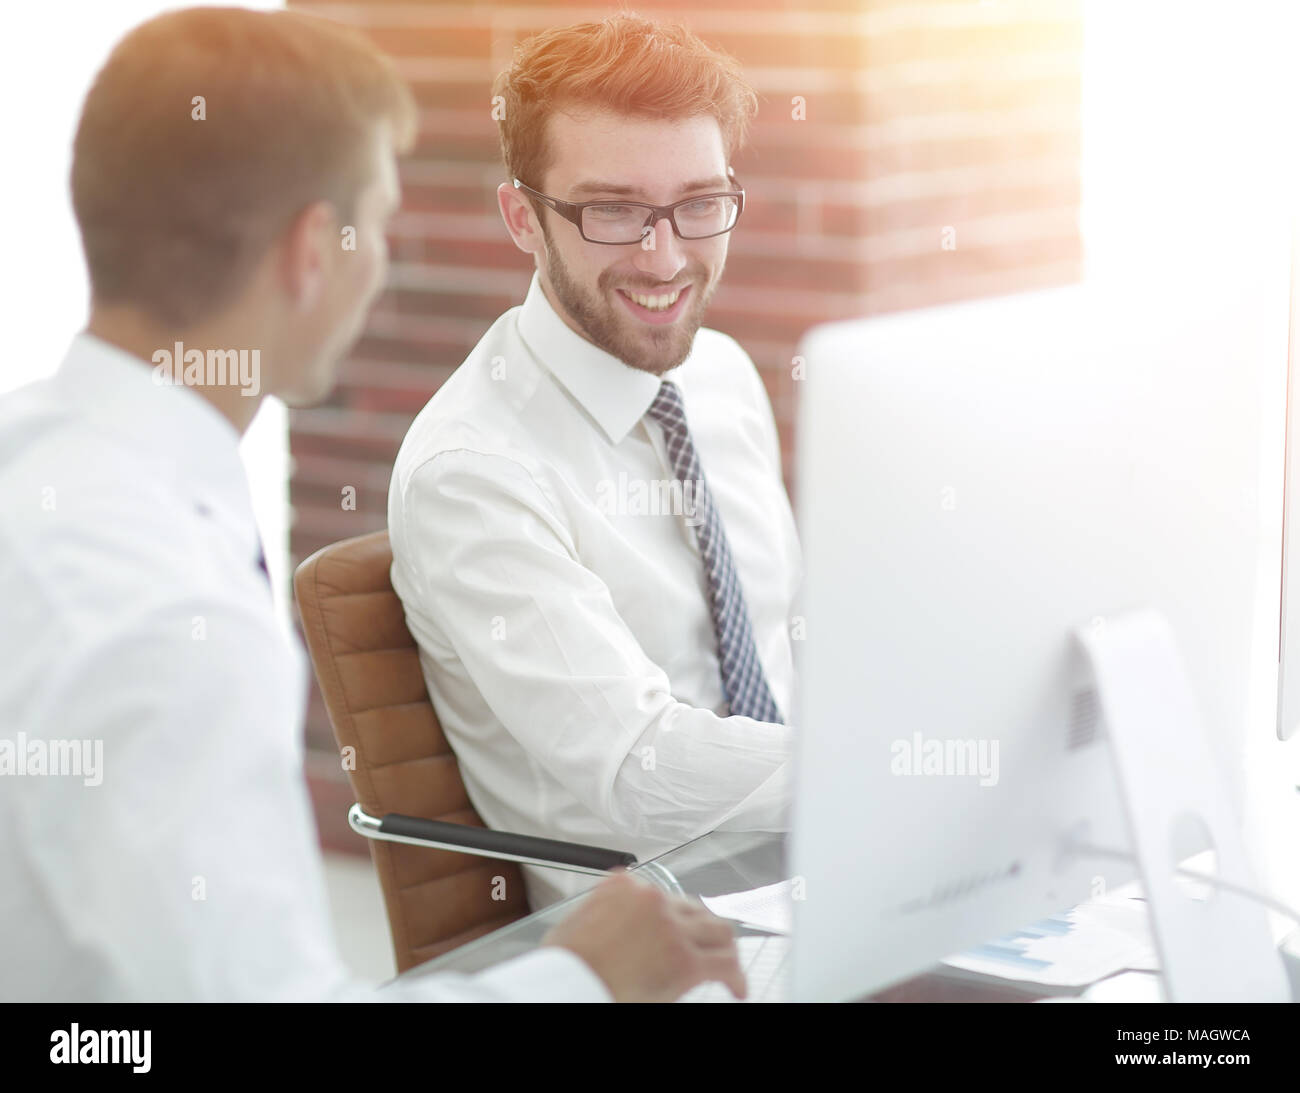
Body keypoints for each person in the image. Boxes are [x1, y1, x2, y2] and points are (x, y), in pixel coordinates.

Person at [0, 6, 744, 1004]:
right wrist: (579, 976)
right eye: (380, 223)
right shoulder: (173, 626)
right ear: (316, 250)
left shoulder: (42, 467)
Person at [388, 14, 802, 909]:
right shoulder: (473, 471)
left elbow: (785, 647)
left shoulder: (722, 375)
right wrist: (888, 769)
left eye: (698, 204)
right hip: (654, 943)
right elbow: (640, 775)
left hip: (826, 874)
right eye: (613, 210)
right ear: (522, 218)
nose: (664, 257)